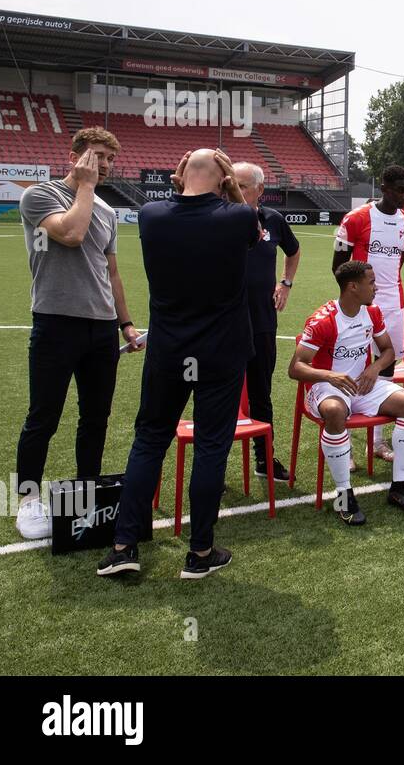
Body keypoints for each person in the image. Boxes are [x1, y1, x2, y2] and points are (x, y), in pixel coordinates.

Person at [98, 150, 258, 579]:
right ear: (225, 177)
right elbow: (253, 229)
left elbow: (179, 205)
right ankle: (200, 553)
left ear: (180, 174)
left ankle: (123, 546)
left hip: (170, 350)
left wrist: (184, 180)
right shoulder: (236, 217)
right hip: (221, 352)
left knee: (149, 440)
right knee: (210, 446)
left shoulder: (151, 215)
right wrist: (231, 185)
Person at [15, 127, 144, 540]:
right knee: (43, 417)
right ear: (72, 156)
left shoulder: (106, 210)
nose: (103, 164)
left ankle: (86, 490)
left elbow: (112, 272)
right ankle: (27, 500)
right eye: (95, 155)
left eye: (109, 157)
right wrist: (86, 186)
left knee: (96, 417)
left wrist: (125, 323)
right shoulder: (40, 195)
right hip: (55, 322)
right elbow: (70, 234)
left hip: (101, 328)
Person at [289, 261, 404, 525]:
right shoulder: (323, 321)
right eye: (371, 282)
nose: (377, 287)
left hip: (362, 385)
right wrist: (330, 376)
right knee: (335, 411)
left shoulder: (372, 313)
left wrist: (374, 368)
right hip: (326, 387)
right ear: (353, 287)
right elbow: (295, 367)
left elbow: (387, 350)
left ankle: (399, 488)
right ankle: (344, 495)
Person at [333, 165, 404, 461]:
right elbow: (339, 267)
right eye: (400, 190)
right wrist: (358, 301)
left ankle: (377, 442)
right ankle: (345, 443)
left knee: (387, 366)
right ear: (383, 188)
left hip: (393, 305)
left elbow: (397, 264)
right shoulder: (356, 219)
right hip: (359, 308)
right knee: (351, 367)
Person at [234, 161, 300, 482]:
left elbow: (293, 251)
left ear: (260, 190)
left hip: (261, 321)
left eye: (243, 186)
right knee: (218, 395)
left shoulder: (273, 220)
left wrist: (285, 283)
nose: (236, 190)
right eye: (231, 184)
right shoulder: (219, 220)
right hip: (223, 324)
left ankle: (264, 459)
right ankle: (212, 466)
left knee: (261, 392)